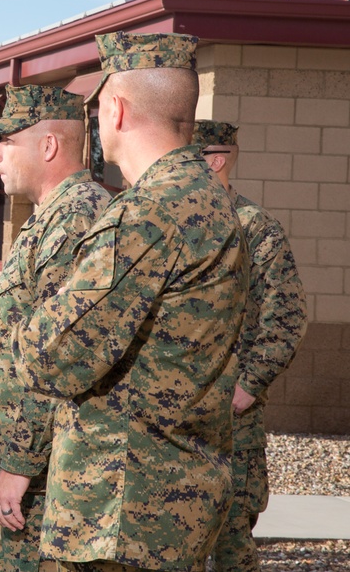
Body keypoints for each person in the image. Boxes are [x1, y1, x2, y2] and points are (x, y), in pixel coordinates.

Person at [15, 32, 249, 572]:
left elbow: (52, 356)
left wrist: (26, 325)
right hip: (172, 499)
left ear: (115, 109)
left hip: (119, 511)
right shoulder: (208, 197)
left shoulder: (147, 213)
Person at [0, 85, 111, 572]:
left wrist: (17, 464)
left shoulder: (76, 217)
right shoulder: (51, 217)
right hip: (36, 462)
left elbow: (56, 353)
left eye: (7, 141)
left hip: (45, 470)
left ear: (49, 146)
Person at [193, 120, 308, 572]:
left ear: (217, 160)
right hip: (174, 419)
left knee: (230, 542)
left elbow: (286, 316)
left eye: (189, 158)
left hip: (230, 424)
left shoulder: (254, 228)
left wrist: (248, 386)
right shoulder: (175, 224)